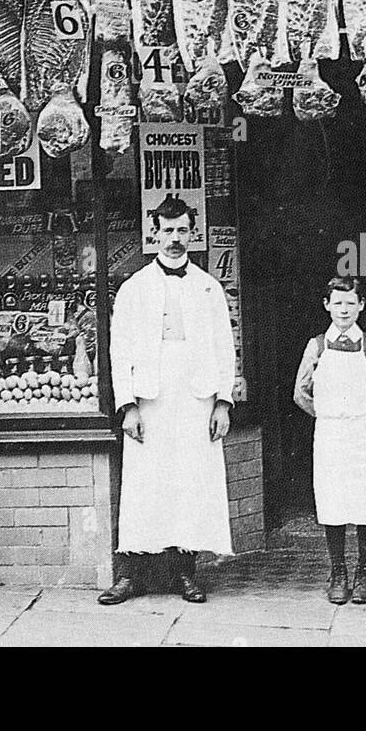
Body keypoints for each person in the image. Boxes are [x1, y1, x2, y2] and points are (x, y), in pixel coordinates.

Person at [99, 197, 236, 605]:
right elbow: (118, 351)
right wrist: (128, 406)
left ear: (193, 232)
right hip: (151, 399)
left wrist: (223, 403)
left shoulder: (209, 288)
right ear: (154, 232)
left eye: (182, 230)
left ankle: (184, 574)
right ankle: (130, 576)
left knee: (190, 483)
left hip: (196, 397)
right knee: (145, 484)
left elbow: (224, 348)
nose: (175, 239)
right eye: (167, 230)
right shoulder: (134, 288)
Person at [293, 277, 366, 604]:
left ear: (361, 305)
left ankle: (363, 571)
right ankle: (338, 572)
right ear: (326, 305)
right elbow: (301, 393)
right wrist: (328, 415)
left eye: (350, 303)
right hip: (329, 433)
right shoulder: (317, 346)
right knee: (332, 501)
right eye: (337, 302)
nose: (343, 310)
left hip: (365, 433)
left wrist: (365, 412)